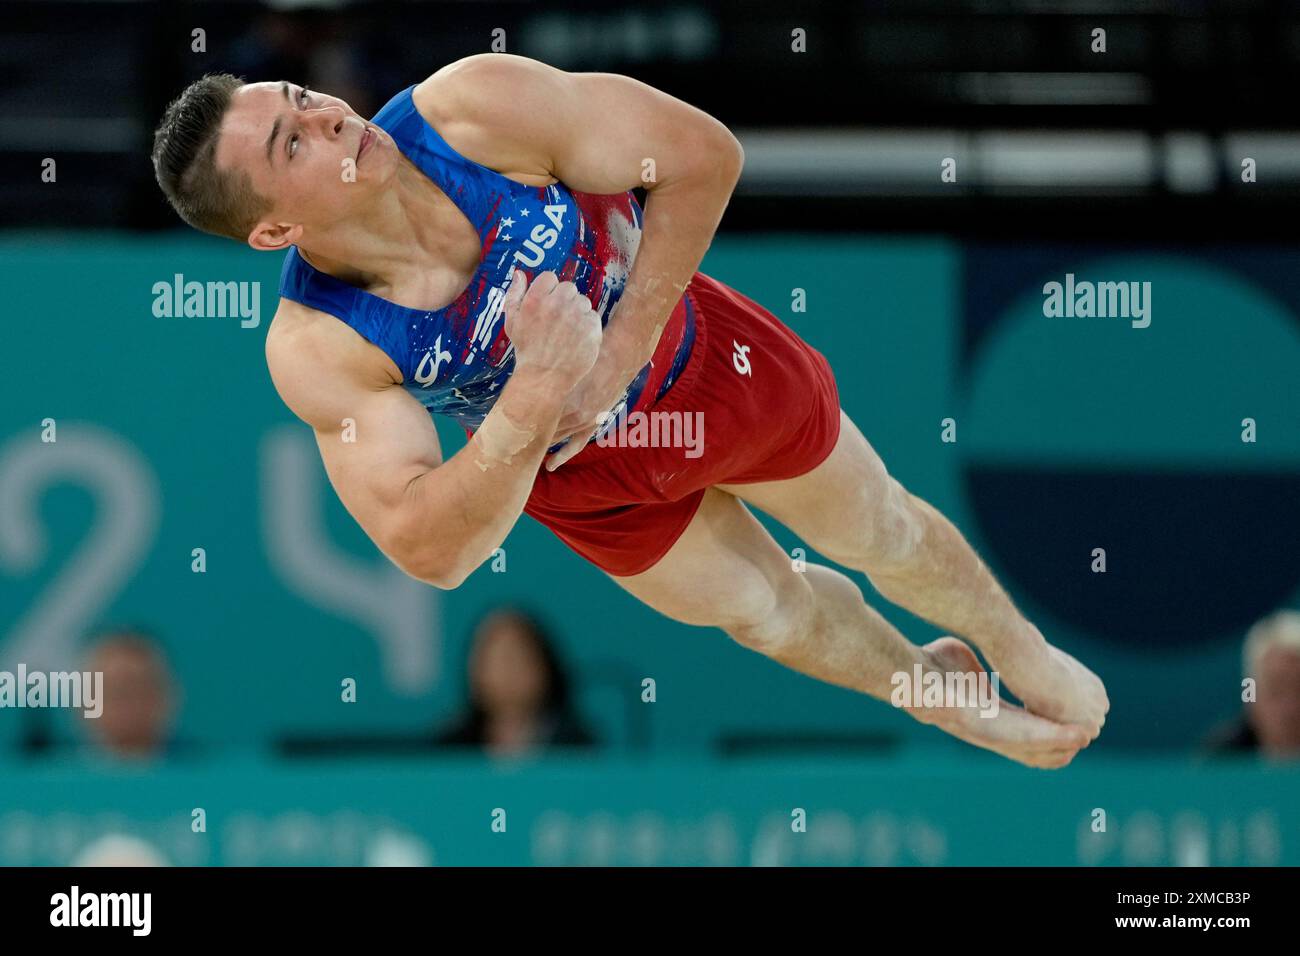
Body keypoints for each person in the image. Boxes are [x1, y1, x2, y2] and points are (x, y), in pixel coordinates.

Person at [150, 52, 1108, 768]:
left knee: (880, 527)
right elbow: (430, 550)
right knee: (766, 613)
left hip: (704, 363)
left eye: (304, 99)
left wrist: (617, 352)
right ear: (273, 229)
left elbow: (702, 156)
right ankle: (929, 694)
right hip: (584, 481)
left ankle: (1020, 648)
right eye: (294, 143)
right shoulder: (319, 346)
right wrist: (532, 396)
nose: (331, 120)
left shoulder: (475, 109)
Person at [436, 608, 596, 755]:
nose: (508, 672)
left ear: (545, 665)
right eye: (497, 660)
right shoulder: (451, 748)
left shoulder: (577, 747)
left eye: (518, 658)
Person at [1204, 609, 1300, 760]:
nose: (1290, 709)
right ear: (1250, 696)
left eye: (1298, 690)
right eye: (1276, 691)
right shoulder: (1220, 759)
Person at [81, 630, 178, 762]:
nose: (123, 703)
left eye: (136, 688)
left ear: (162, 695)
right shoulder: (62, 775)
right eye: (113, 691)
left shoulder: (199, 772)